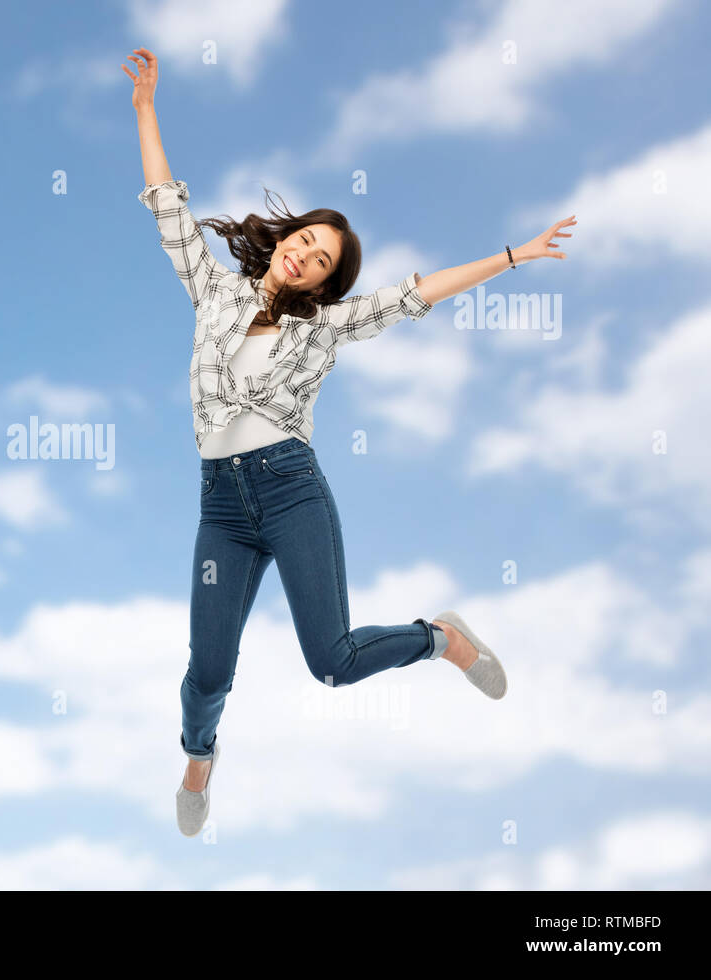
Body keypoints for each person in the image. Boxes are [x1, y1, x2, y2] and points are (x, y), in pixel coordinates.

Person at [122, 48, 576, 837]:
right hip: (221, 506)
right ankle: (200, 756)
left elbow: (413, 294)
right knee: (207, 672)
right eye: (304, 240)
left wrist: (514, 256)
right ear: (286, 240)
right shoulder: (215, 291)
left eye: (323, 260)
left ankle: (440, 638)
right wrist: (144, 109)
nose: (305, 254)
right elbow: (166, 202)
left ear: (322, 282)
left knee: (331, 661)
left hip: (291, 487)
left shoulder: (325, 326)